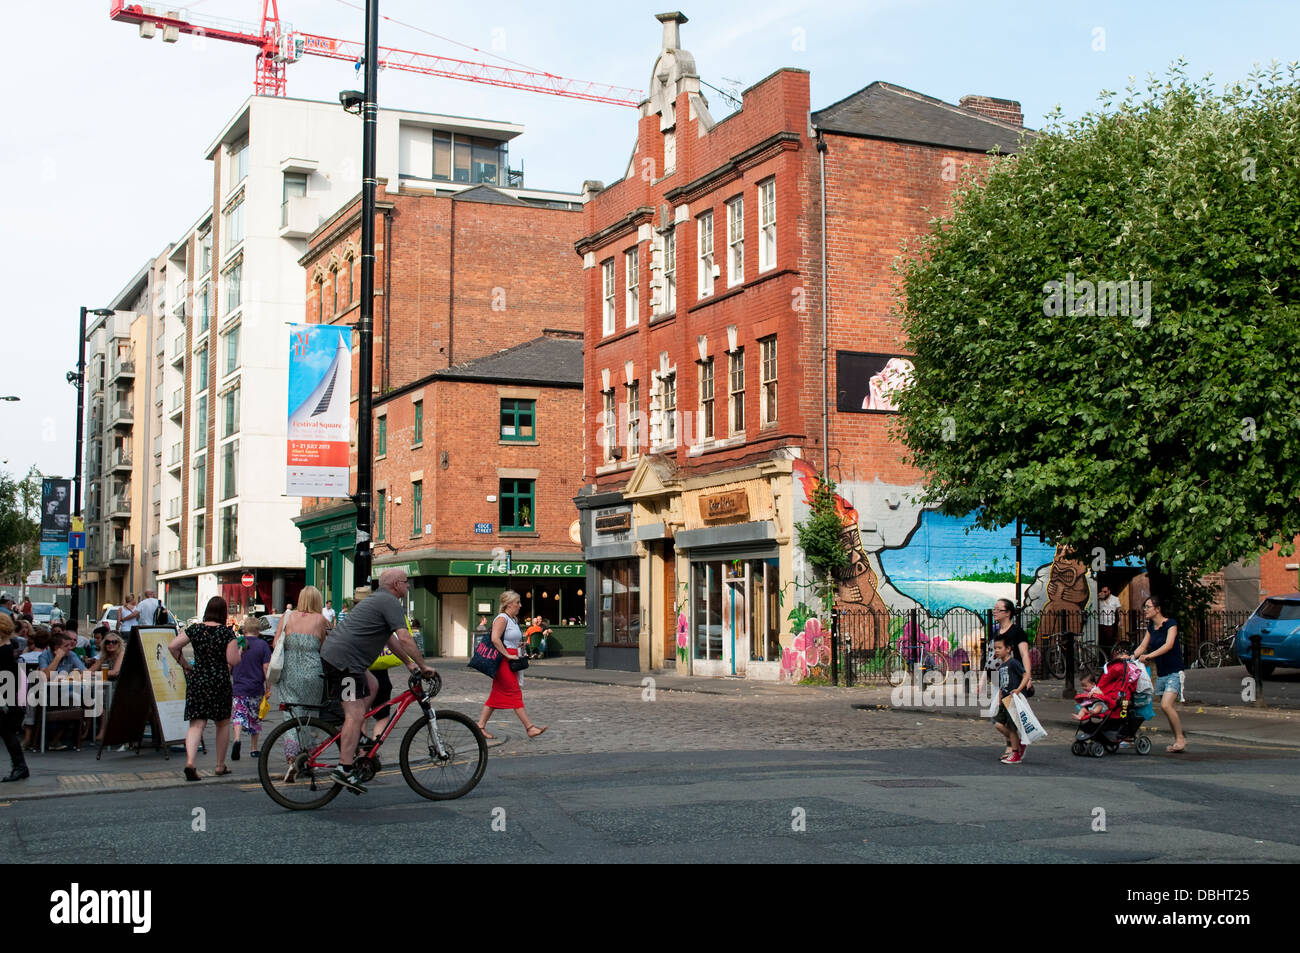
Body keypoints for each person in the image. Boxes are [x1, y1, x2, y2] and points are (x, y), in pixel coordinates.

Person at [318, 569, 433, 794]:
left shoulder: (378, 600)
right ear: (396, 584)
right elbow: (405, 638)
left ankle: (354, 734)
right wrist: (422, 664)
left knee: (373, 685)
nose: (408, 586)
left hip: (347, 660)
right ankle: (344, 768)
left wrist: (409, 664)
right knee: (355, 713)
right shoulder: (389, 602)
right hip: (344, 662)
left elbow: (390, 639)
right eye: (406, 583)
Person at [170, 596, 242, 781]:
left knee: (197, 723)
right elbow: (233, 660)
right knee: (222, 723)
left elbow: (173, 646)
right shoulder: (226, 633)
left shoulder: (195, 629)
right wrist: (240, 652)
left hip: (198, 679)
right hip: (219, 679)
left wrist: (185, 664)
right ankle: (219, 765)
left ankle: (190, 763)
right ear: (223, 612)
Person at [271, 585, 330, 776]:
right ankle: (308, 756)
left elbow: (275, 643)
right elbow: (325, 647)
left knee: (291, 715)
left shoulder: (287, 616)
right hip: (313, 672)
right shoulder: (322, 620)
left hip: (289, 672)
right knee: (310, 715)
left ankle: (291, 758)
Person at [476, 589, 548, 743]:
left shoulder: (513, 619)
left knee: (496, 695)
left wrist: (519, 645)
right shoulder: (502, 618)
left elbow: (509, 639)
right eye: (517, 603)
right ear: (508, 604)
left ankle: (480, 726)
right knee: (514, 691)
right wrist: (507, 654)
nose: (520, 605)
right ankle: (530, 727)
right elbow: (495, 639)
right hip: (503, 662)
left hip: (511, 659)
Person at [1133, 595, 1186, 753]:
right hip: (1163, 673)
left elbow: (1168, 645)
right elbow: (1143, 646)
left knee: (1166, 704)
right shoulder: (1151, 627)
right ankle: (1177, 739)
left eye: (1148, 607)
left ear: (1157, 609)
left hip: (1175, 671)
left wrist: (1149, 657)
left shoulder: (1171, 624)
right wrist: (1130, 657)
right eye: (1145, 607)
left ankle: (1181, 739)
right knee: (1166, 707)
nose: (1145, 610)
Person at [229, 617, 271, 761]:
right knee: (254, 717)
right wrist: (268, 687)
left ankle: (236, 738)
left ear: (244, 630)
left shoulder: (237, 643)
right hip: (256, 687)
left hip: (239, 686)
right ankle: (254, 749)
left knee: (239, 714)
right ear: (258, 631)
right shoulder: (263, 645)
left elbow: (230, 662)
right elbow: (266, 667)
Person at [991, 633, 1028, 764]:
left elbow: (1025, 675)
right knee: (998, 724)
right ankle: (1017, 743)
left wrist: (1018, 690)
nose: (996, 650)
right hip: (1004, 701)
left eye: (999, 647)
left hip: (1013, 700)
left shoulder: (1013, 663)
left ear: (1008, 649)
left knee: (1012, 728)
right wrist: (999, 698)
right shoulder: (1001, 667)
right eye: (995, 648)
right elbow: (1003, 684)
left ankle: (1015, 753)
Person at [0, 613, 28, 782]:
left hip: (5, 697)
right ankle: (20, 767)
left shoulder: (4, 650)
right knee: (7, 733)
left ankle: (20, 767)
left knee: (7, 733)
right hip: (8, 696)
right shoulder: (8, 647)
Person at [988, 599, 1033, 692]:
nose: (994, 612)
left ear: (1007, 613)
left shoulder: (1017, 632)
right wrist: (982, 680)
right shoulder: (995, 634)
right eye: (994, 609)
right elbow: (990, 658)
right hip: (996, 679)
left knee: (1012, 705)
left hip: (1012, 678)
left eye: (998, 610)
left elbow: (1024, 655)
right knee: (998, 705)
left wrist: (1028, 677)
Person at [1096, 584, 1122, 652]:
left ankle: (1109, 655)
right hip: (1100, 623)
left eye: (1105, 592)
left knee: (1110, 641)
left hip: (1110, 623)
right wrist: (1097, 597)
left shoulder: (1115, 599)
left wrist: (1120, 620)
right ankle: (1102, 656)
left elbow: (1119, 610)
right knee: (1101, 641)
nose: (1103, 593)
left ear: (1109, 591)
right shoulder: (1099, 599)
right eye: (1102, 591)